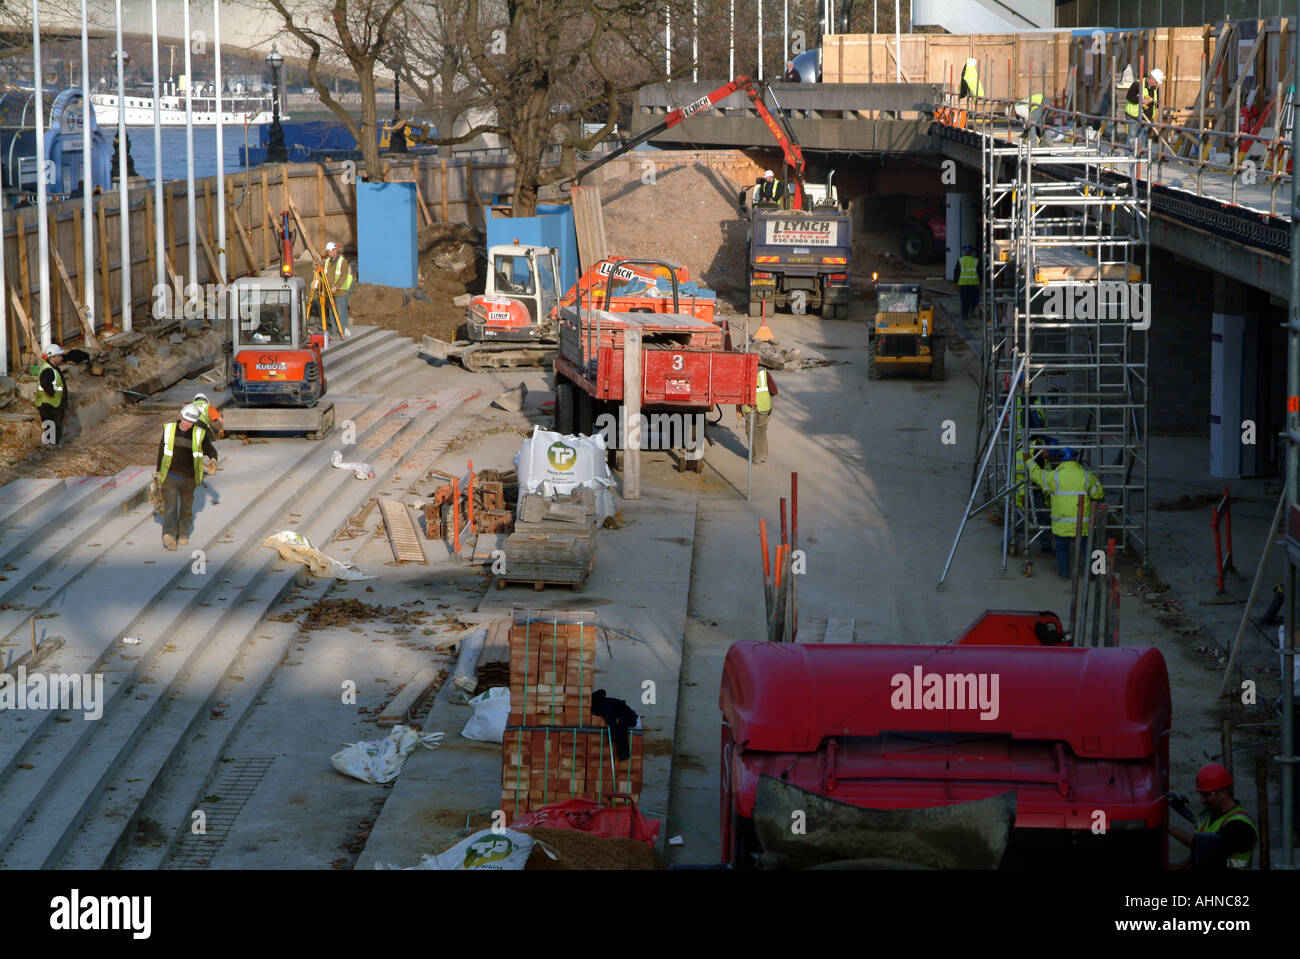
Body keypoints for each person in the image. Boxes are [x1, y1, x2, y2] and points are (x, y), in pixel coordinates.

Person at [1023, 446, 1104, 580]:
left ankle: (1064, 573)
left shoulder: (1055, 476)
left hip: (1062, 523)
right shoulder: (1086, 475)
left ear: (1060, 460)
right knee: (1088, 548)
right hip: (1082, 522)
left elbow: (1038, 475)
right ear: (1075, 459)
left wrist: (1029, 462)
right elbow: (1098, 493)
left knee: (1062, 548)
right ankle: (1094, 575)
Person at [155, 403, 218, 551]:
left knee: (186, 507)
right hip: (170, 475)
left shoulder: (198, 433)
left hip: (189, 479)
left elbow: (211, 450)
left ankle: (183, 533)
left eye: (190, 422)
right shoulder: (169, 429)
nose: (186, 424)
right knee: (170, 507)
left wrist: (213, 460)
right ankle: (169, 535)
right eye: (185, 420)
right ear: (180, 416)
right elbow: (161, 450)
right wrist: (158, 472)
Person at [1170, 763, 1257, 870]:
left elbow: (1205, 847)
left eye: (1206, 795)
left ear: (1223, 792)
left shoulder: (1240, 827)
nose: (1202, 800)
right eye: (1201, 794)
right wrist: (1181, 866)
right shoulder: (1207, 815)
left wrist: (1170, 829)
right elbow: (1201, 855)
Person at [738, 367, 777, 464]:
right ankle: (763, 454)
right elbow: (774, 391)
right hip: (764, 407)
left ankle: (756, 457)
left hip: (748, 408)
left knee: (752, 432)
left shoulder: (742, 373)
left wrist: (738, 409)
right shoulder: (765, 373)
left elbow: (740, 393)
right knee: (761, 431)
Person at [34, 343, 69, 446]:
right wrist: (52, 393)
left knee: (54, 427)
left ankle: (51, 447)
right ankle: (50, 448)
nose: (61, 358)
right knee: (51, 426)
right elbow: (45, 383)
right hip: (49, 404)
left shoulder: (52, 368)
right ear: (52, 357)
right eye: (59, 356)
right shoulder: (48, 370)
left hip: (53, 403)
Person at [1126, 67, 1163, 151]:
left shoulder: (1156, 88)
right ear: (1151, 79)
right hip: (1134, 116)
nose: (1156, 84)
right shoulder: (1138, 84)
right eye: (1156, 82)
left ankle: (1141, 157)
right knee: (1133, 136)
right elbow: (1129, 96)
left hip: (1146, 118)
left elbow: (1156, 102)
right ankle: (1130, 155)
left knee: (1143, 137)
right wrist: (1142, 100)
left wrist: (1159, 104)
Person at [323, 241, 354, 337]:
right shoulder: (327, 262)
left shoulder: (342, 262)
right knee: (332, 312)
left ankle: (342, 330)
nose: (329, 253)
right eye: (328, 251)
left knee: (341, 311)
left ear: (335, 250)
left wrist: (336, 287)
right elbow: (325, 276)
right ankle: (335, 330)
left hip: (340, 291)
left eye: (330, 251)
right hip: (330, 291)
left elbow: (343, 276)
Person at [953, 244, 980, 324]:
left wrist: (955, 282)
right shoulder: (976, 261)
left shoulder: (960, 260)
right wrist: (980, 281)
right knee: (973, 299)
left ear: (964, 252)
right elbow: (980, 272)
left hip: (963, 284)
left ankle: (965, 316)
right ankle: (972, 312)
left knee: (964, 300)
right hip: (973, 284)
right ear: (971, 252)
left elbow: (956, 272)